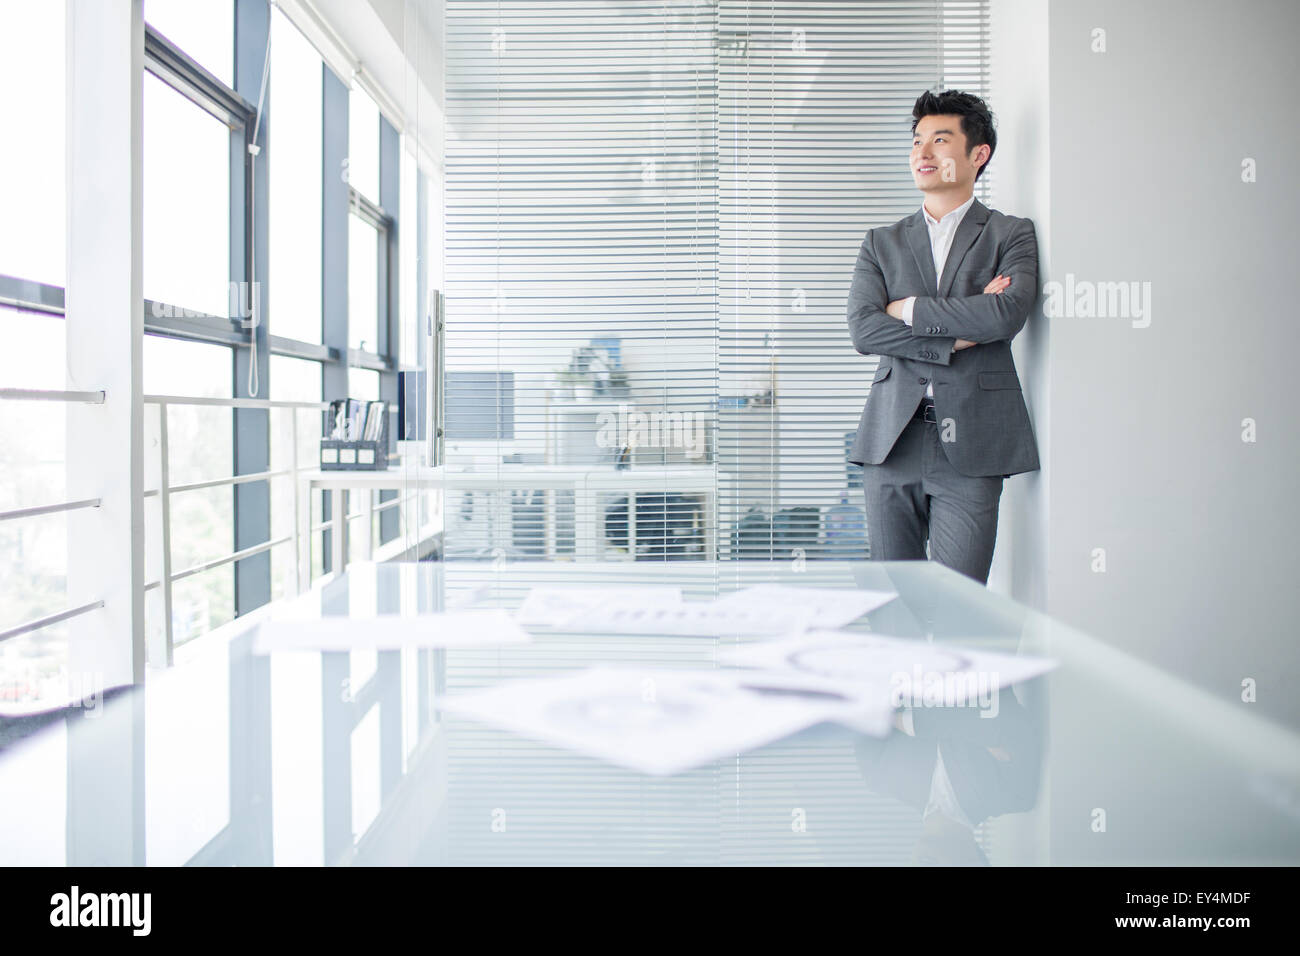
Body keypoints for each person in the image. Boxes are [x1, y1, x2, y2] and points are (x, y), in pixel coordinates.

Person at [846, 89, 1040, 585]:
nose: (922, 153)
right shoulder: (881, 242)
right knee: (892, 606)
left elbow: (1003, 316)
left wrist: (907, 309)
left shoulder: (1010, 234)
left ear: (978, 155)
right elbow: (865, 329)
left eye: (939, 139)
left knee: (961, 605)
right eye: (916, 141)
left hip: (974, 442)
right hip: (892, 440)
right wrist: (951, 338)